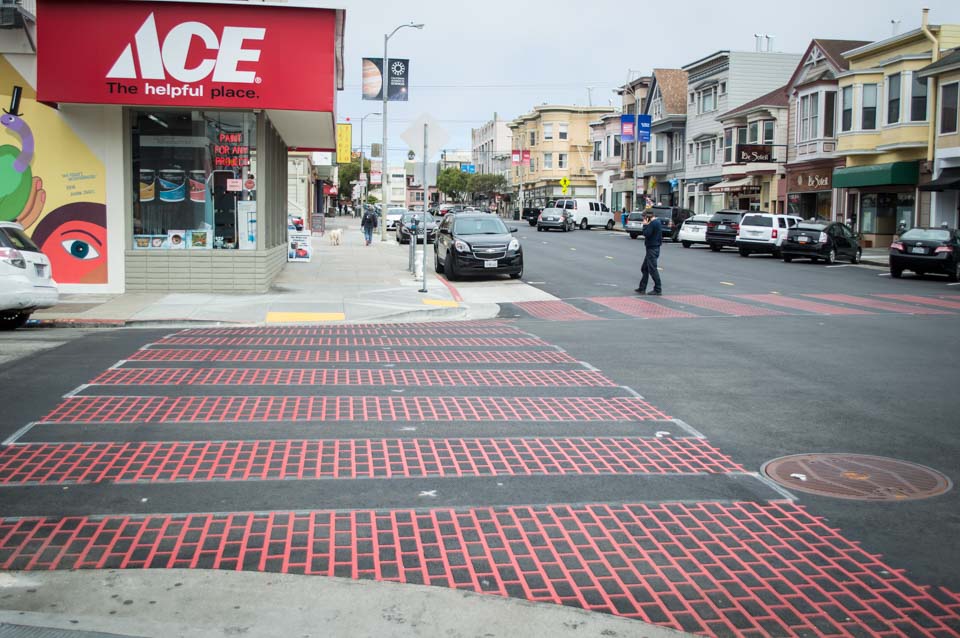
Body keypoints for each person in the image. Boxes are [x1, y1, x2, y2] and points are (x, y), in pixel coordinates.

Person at [636, 209, 663, 296]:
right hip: (653, 248)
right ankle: (642, 288)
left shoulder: (653, 223)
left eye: (644, 217)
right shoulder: (657, 222)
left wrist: (645, 225)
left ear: (648, 217)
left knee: (652, 269)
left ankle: (658, 289)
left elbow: (646, 233)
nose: (643, 219)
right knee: (645, 268)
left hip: (652, 249)